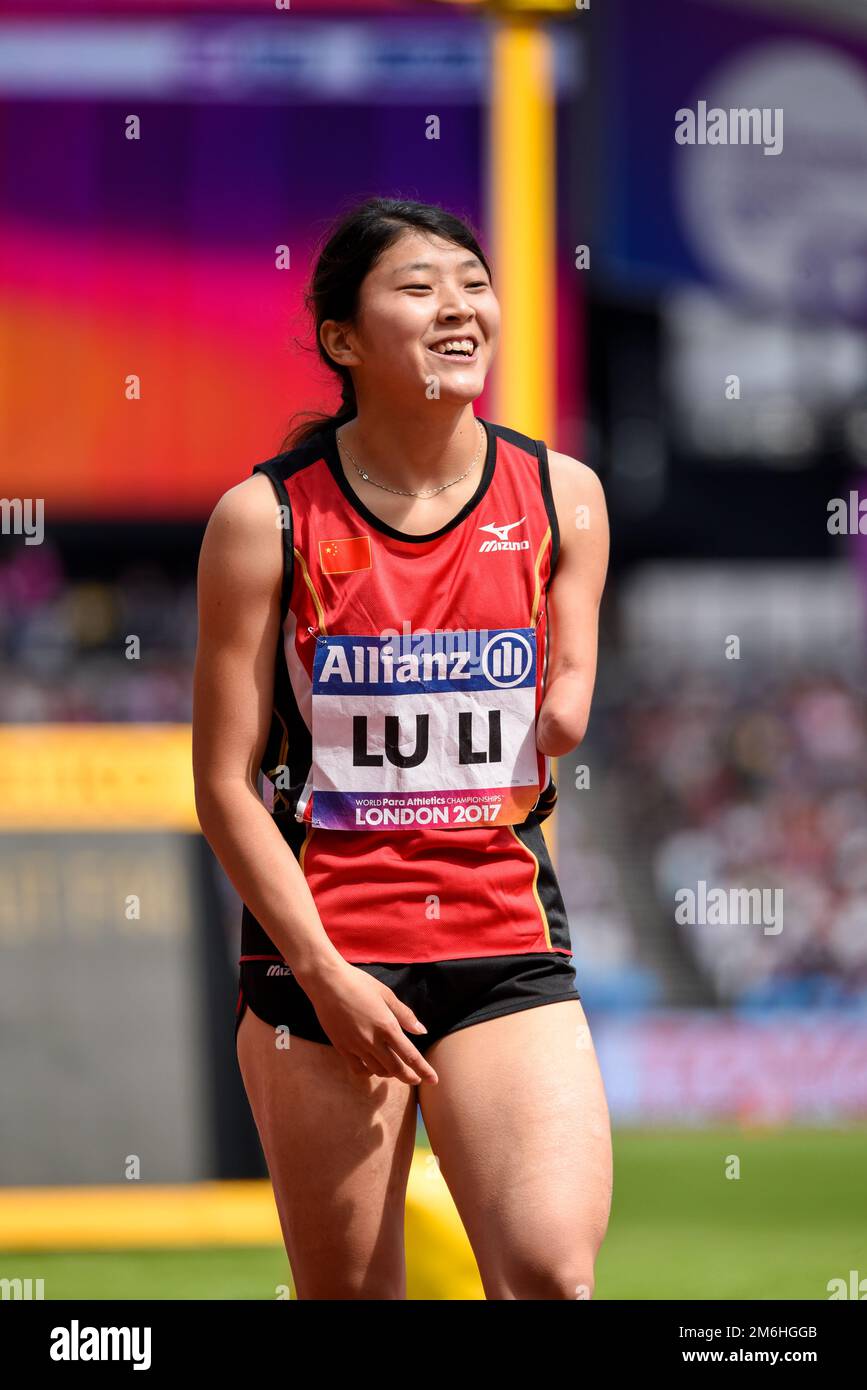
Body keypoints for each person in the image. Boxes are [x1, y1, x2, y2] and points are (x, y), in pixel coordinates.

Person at [193, 197, 612, 1300]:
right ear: (343, 338)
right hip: (320, 958)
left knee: (551, 1274)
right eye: (419, 288)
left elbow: (570, 689)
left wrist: (565, 699)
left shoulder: (564, 495)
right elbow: (223, 784)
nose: (459, 306)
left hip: (502, 939)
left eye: (473, 284)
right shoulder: (265, 519)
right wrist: (325, 976)